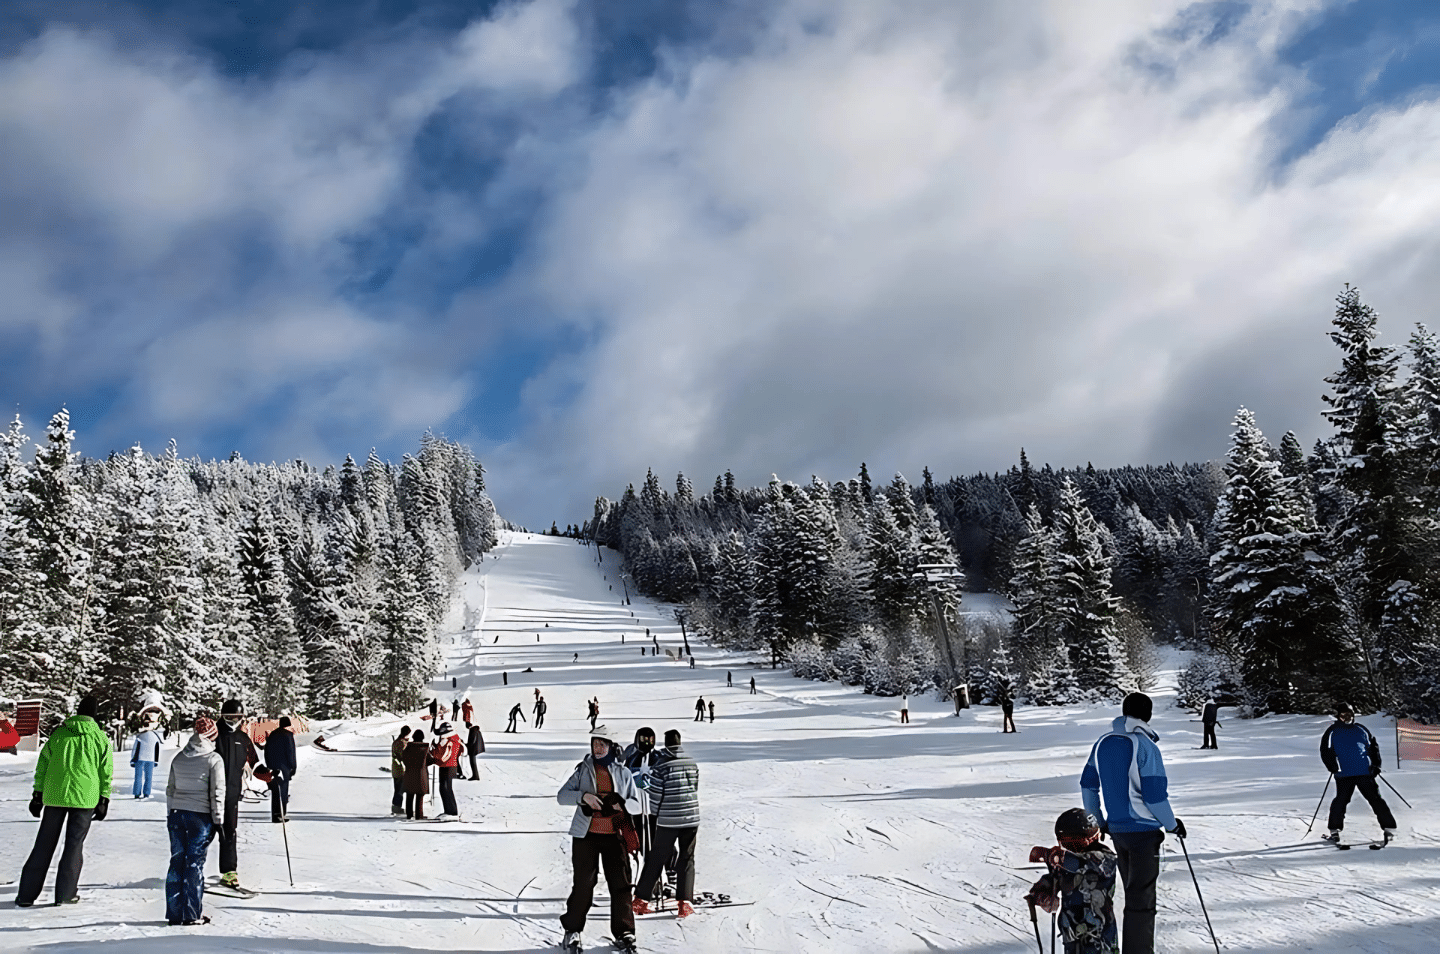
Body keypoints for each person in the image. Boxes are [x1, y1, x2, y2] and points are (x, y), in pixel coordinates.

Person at [1079, 692, 1182, 954]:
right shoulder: (1145, 745)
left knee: (1133, 896)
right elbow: (1155, 796)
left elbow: (1088, 785)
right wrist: (1171, 824)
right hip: (1144, 833)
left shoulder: (1102, 743)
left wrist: (1097, 821)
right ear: (1147, 715)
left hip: (1117, 832)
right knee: (1141, 901)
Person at [16, 695, 112, 908]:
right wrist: (104, 797)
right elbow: (106, 771)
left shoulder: (59, 734)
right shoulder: (100, 737)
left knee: (43, 843)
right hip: (85, 798)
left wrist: (37, 794)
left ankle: (26, 894)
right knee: (74, 845)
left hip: (55, 795)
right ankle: (65, 894)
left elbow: (42, 765)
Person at [556, 726, 640, 954]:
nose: (598, 748)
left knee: (621, 885)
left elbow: (637, 804)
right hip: (587, 836)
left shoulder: (623, 772)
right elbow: (561, 796)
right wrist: (583, 797)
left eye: (602, 744)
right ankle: (572, 930)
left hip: (616, 835)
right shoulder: (583, 770)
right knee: (584, 885)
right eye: (595, 744)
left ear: (611, 746)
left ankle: (624, 932)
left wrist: (620, 802)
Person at [1025, 809, 1118, 954]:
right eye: (1065, 844)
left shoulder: (1105, 858)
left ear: (1090, 839)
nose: (1069, 849)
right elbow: (1055, 878)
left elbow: (1083, 863)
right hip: (1071, 934)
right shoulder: (1068, 863)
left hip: (1099, 938)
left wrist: (1055, 857)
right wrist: (1041, 892)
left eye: (1073, 844)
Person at [633, 729, 701, 919]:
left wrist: (655, 815)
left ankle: (640, 899)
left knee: (657, 857)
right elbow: (694, 786)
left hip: (669, 819)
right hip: (691, 818)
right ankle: (684, 902)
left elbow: (655, 795)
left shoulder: (662, 765)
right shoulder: (691, 762)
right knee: (687, 858)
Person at [165, 716, 225, 926]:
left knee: (176, 861)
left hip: (176, 813)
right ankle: (192, 913)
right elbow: (217, 792)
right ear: (212, 735)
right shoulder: (213, 759)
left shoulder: (179, 758)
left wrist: (170, 813)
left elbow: (170, 789)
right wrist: (219, 820)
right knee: (194, 864)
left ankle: (174, 913)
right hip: (200, 816)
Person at [1321, 702, 1397, 845]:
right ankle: (1334, 830)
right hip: (1344, 774)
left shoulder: (1361, 729)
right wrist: (1332, 766)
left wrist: (1376, 765)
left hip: (1364, 772)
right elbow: (1325, 751)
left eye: (1350, 715)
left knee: (1376, 799)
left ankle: (1389, 828)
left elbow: (1373, 748)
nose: (1347, 718)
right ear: (1338, 717)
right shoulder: (1332, 731)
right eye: (1343, 715)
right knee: (1341, 801)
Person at [215, 699, 258, 891]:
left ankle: (229, 871)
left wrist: (269, 775)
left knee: (229, 833)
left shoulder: (243, 738)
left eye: (237, 717)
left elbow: (254, 761)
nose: (233, 720)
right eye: (229, 717)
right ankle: (191, 870)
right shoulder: (213, 735)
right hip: (209, 794)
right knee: (202, 834)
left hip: (232, 794)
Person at [263, 716, 297, 822]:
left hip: (273, 767)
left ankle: (275, 814)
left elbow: (266, 751)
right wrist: (293, 767)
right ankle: (281, 814)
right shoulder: (288, 735)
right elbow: (291, 752)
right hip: (284, 768)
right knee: (283, 791)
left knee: (275, 791)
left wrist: (268, 765)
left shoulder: (273, 734)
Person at [431, 722, 464, 819]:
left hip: (446, 765)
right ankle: (450, 811)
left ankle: (451, 812)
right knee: (447, 788)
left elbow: (441, 755)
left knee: (444, 788)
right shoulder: (455, 738)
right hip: (451, 765)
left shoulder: (446, 740)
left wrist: (434, 750)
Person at [401, 729, 431, 819]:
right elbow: (429, 760)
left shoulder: (408, 747)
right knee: (419, 796)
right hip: (421, 775)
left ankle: (409, 814)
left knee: (409, 795)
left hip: (410, 773)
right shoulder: (425, 748)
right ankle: (419, 815)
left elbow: (403, 758)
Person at [131, 719, 163, 799]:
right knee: (148, 777)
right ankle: (147, 794)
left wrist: (132, 759)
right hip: (151, 759)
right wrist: (156, 761)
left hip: (140, 758)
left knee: (138, 777)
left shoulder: (140, 736)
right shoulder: (155, 736)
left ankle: (137, 794)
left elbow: (135, 749)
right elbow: (157, 748)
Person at [390, 724, 411, 815]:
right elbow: (403, 755)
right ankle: (397, 806)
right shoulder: (402, 743)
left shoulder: (396, 742)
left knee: (397, 788)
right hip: (401, 769)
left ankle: (396, 806)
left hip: (396, 769)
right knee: (400, 789)